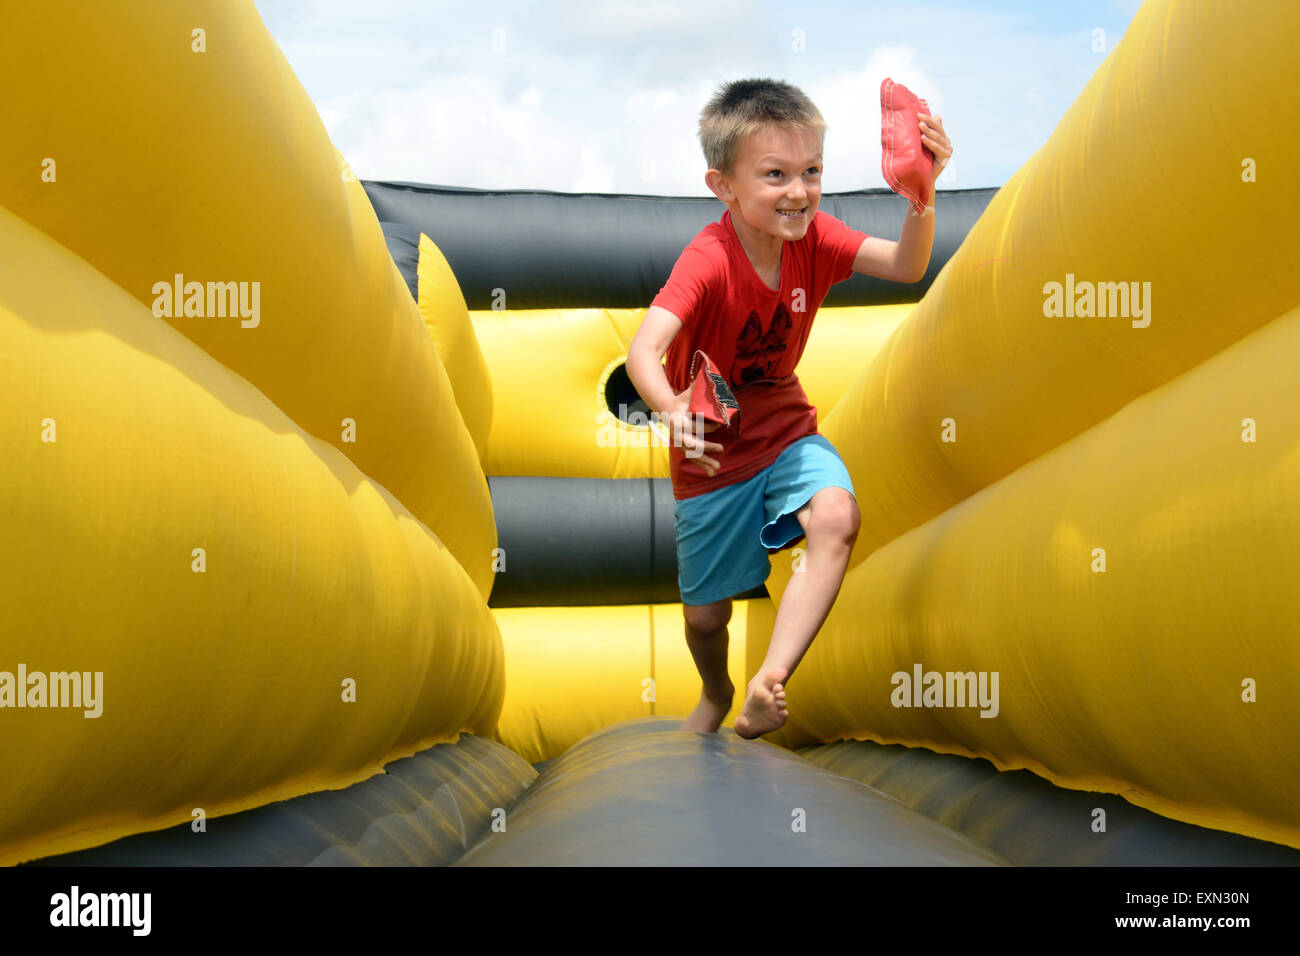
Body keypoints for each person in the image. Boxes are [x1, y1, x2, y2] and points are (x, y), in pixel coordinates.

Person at [626, 77, 952, 737]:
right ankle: (715, 693)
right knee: (704, 618)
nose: (799, 192)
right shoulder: (709, 258)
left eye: (811, 172)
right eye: (775, 175)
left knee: (837, 516)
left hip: (783, 430)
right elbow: (645, 348)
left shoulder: (815, 238)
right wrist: (670, 408)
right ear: (725, 186)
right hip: (713, 449)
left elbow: (907, 266)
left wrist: (923, 195)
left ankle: (768, 681)